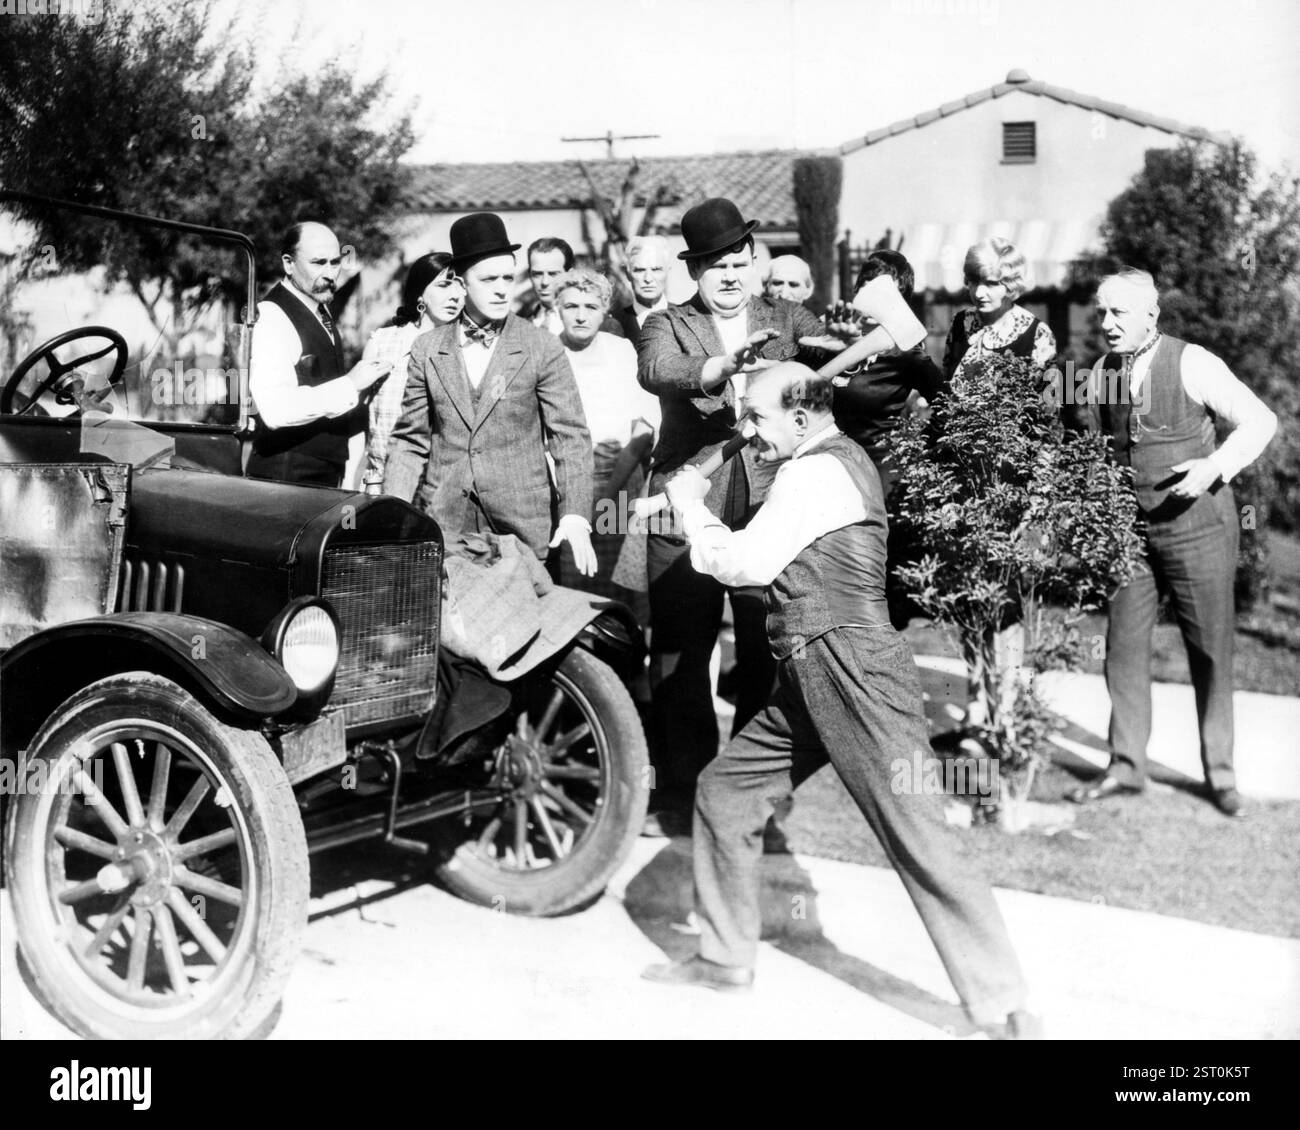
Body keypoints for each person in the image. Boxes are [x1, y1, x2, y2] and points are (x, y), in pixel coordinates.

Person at [640, 362, 1039, 1040]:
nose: (747, 431)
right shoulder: (832, 456)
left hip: (849, 670)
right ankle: (725, 957)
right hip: (812, 670)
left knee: (916, 831)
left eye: (756, 418)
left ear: (801, 418)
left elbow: (745, 565)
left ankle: (1005, 1008)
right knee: (727, 793)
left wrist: (691, 505)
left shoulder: (815, 471)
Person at [637, 197, 869, 831]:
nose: (732, 277)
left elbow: (830, 359)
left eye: (741, 263)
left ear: (755, 263)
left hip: (772, 501)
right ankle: (684, 796)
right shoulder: (667, 322)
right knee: (682, 656)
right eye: (717, 268)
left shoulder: (786, 314)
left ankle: (751, 801)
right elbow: (657, 371)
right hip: (687, 497)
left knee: (766, 657)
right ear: (695, 272)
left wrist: (849, 349)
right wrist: (723, 366)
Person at [1067, 269, 1277, 817]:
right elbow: (1105, 447)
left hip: (1198, 528)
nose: (1107, 324)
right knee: (1123, 647)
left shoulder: (1193, 362)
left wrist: (1215, 465)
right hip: (1131, 535)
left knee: (1211, 651)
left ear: (1151, 315)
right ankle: (1126, 766)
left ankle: (1221, 775)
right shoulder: (1100, 373)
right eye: (1102, 313)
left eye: (1119, 313)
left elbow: (1261, 419)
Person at [384, 212, 596, 574]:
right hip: (447, 527)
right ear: (461, 284)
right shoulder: (427, 348)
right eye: (488, 279)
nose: (501, 289)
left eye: (507, 278)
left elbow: (570, 438)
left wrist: (575, 515)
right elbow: (409, 442)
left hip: (524, 529)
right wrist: (390, 515)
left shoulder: (541, 347)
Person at [246, 222, 391, 487]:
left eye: (335, 263)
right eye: (318, 263)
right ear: (289, 264)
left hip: (320, 476)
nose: (329, 274)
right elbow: (276, 409)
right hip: (285, 477)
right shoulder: (272, 316)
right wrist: (350, 384)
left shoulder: (319, 311)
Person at [554, 266, 660, 612]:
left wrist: (612, 489)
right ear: (558, 308)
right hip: (567, 481)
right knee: (578, 583)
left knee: (621, 586)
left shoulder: (621, 351)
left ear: (604, 310)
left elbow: (643, 427)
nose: (581, 315)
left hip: (622, 477)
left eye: (591, 306)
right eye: (572, 306)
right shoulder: (548, 353)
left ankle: (629, 665)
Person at [831, 249, 947, 498]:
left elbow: (949, 406)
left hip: (879, 472)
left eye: (887, 292)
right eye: (867, 285)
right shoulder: (833, 337)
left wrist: (917, 448)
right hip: (831, 465)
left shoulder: (904, 350)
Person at [357, 252, 464, 494]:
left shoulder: (466, 348)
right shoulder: (383, 343)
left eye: (460, 285)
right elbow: (359, 422)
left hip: (444, 490)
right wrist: (348, 485)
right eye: (444, 285)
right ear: (420, 293)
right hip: (383, 485)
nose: (455, 295)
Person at [942, 237, 1056, 382]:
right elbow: (946, 385)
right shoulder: (961, 322)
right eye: (974, 281)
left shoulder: (1037, 334)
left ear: (1011, 284)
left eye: (991, 284)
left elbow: (1049, 399)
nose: (979, 293)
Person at [611, 235, 672, 345]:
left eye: (656, 269)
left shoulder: (687, 318)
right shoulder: (613, 322)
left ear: (667, 272)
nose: (648, 279)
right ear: (628, 274)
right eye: (639, 270)